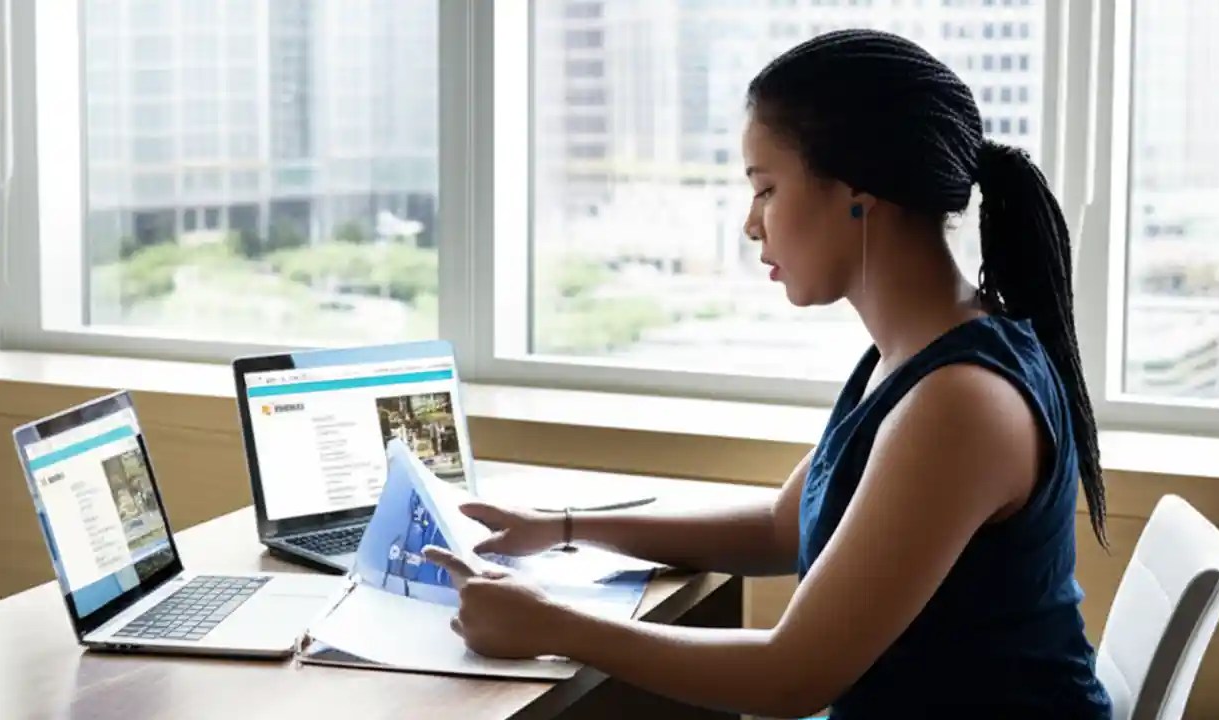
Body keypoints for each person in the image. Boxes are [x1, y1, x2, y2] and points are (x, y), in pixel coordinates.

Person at [424, 29, 1112, 719]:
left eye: (766, 189)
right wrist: (563, 527)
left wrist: (551, 626)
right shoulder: (911, 356)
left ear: (857, 194)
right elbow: (783, 526)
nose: (753, 225)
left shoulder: (960, 403)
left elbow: (790, 678)